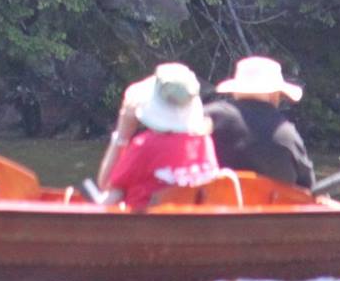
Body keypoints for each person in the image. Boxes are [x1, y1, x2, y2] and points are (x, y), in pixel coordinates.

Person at [99, 63, 220, 209]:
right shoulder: (203, 141)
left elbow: (106, 186)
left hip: (144, 222)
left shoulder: (144, 145)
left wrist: (122, 134)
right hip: (192, 222)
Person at [203, 55, 314, 190]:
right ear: (274, 95)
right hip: (271, 203)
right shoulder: (288, 134)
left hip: (212, 200)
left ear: (236, 91)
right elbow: (308, 188)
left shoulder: (205, 117)